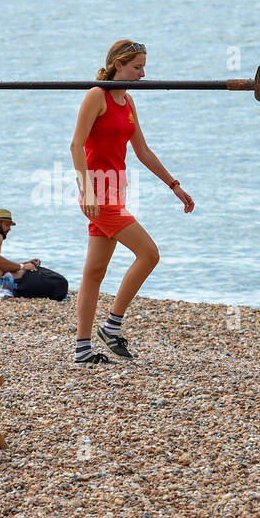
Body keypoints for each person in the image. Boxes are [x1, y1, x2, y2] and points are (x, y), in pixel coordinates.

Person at [70, 41, 194, 363]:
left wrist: (174, 185)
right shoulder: (97, 96)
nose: (142, 73)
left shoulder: (127, 101)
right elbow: (76, 145)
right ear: (118, 65)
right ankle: (112, 326)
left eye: (143, 67)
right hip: (97, 193)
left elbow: (143, 150)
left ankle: (83, 350)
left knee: (95, 271)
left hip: (116, 190)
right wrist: (88, 191)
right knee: (149, 253)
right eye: (137, 67)